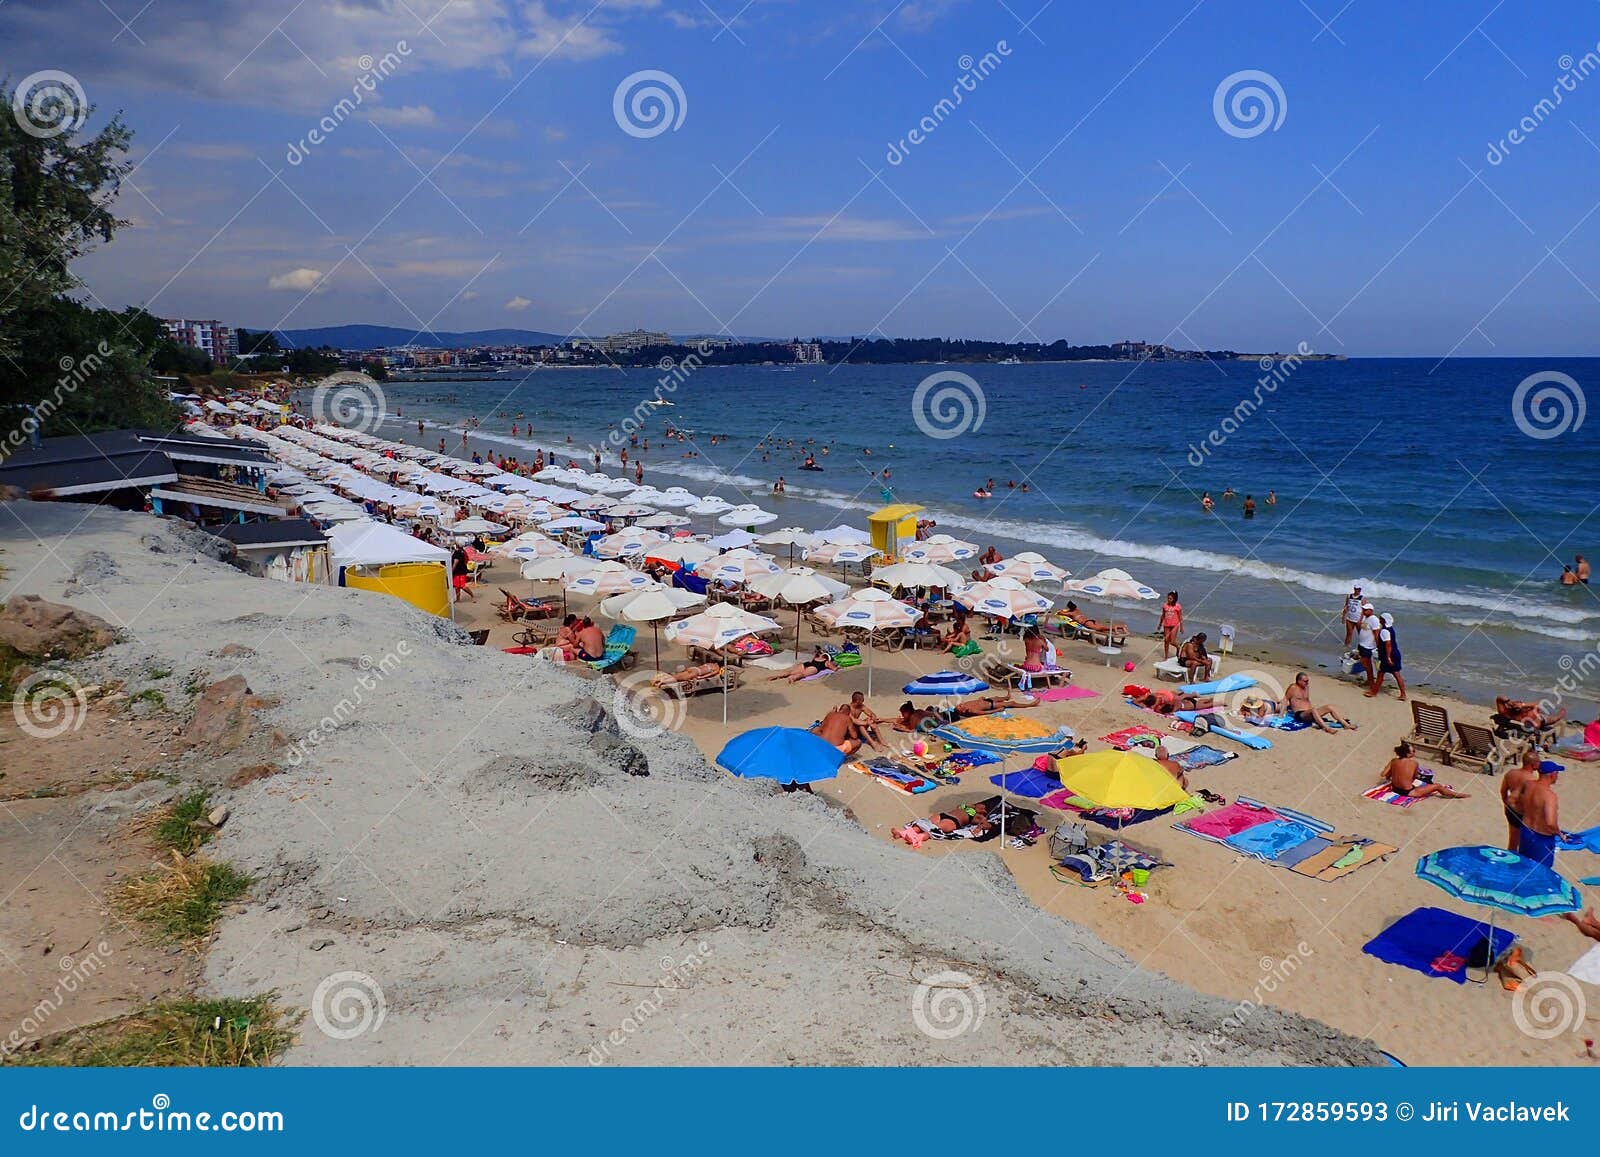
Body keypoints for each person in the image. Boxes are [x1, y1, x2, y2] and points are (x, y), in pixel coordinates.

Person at [1380, 742, 1468, 799]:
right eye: (1413, 751)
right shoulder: (1414, 763)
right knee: (1437, 786)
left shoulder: (1393, 761)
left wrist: (1393, 774)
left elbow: (1383, 774)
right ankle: (1457, 795)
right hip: (1408, 792)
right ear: (1407, 754)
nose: (1414, 752)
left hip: (1395, 789)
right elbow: (1414, 777)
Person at [1284, 673, 1356, 733]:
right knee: (1313, 709)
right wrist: (1281, 714)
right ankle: (1326, 728)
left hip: (1310, 713)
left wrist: (1314, 713)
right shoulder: (1293, 687)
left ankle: (1346, 725)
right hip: (1300, 714)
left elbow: (1307, 701)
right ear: (1299, 681)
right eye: (1305, 681)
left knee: (1329, 707)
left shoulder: (1306, 687)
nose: (1307, 683)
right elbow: (1285, 699)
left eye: (1307, 681)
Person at [1500, 750, 1542, 853]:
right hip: (1524, 815)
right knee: (1527, 844)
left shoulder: (1511, 773)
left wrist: (1506, 804)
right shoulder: (1532, 780)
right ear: (1534, 764)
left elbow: (1503, 791)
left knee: (1513, 842)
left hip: (1511, 810)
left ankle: (1509, 864)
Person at [1369, 612, 1407, 700]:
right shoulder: (1391, 629)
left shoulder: (1384, 631)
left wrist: (1388, 657)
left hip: (1388, 656)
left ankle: (1374, 692)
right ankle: (1403, 694)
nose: (1379, 620)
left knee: (1380, 674)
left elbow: (1388, 644)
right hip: (1395, 654)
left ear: (1383, 620)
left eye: (1380, 619)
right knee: (1396, 674)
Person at [767, 646, 835, 683]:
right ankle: (793, 679)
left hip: (807, 664)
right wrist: (838, 666)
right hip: (815, 667)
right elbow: (834, 669)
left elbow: (817, 653)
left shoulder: (817, 657)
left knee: (790, 672)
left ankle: (779, 676)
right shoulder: (827, 662)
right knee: (802, 674)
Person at [1354, 600, 1380, 689]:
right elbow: (1358, 624)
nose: (1363, 611)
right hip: (1362, 644)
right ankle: (1369, 680)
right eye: (1363, 610)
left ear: (1371, 610)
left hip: (1368, 646)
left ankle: (1371, 682)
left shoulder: (1374, 619)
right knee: (1364, 663)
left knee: (1368, 665)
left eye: (1365, 610)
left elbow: (1376, 634)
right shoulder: (1366, 618)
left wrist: (1378, 646)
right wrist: (1362, 615)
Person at [1159, 592, 1183, 659]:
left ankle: (1178, 647)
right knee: (1166, 640)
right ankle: (1166, 656)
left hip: (1174, 625)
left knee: (1172, 641)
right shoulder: (1165, 606)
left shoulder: (1178, 606)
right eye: (1168, 598)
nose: (1169, 600)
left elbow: (1180, 617)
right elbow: (1163, 615)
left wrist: (1181, 627)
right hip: (1166, 625)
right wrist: (1160, 624)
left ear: (1174, 599)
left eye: (1170, 598)